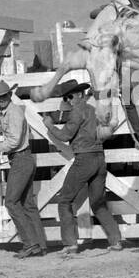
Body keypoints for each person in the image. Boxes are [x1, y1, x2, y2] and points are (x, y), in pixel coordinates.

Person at [44, 79, 123, 255]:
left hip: (84, 159)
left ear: (78, 95)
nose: (68, 100)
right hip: (99, 158)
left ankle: (70, 244)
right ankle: (116, 240)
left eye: (69, 97)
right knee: (98, 203)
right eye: (66, 97)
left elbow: (65, 135)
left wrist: (50, 126)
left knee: (64, 200)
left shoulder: (77, 111)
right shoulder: (93, 110)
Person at [0, 80, 46, 258]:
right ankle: (39, 244)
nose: (0, 99)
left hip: (20, 160)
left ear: (9, 95)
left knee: (11, 202)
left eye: (3, 96)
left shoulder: (13, 113)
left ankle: (30, 244)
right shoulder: (11, 111)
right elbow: (16, 136)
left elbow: (14, 142)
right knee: (27, 204)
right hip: (24, 158)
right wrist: (1, 130)